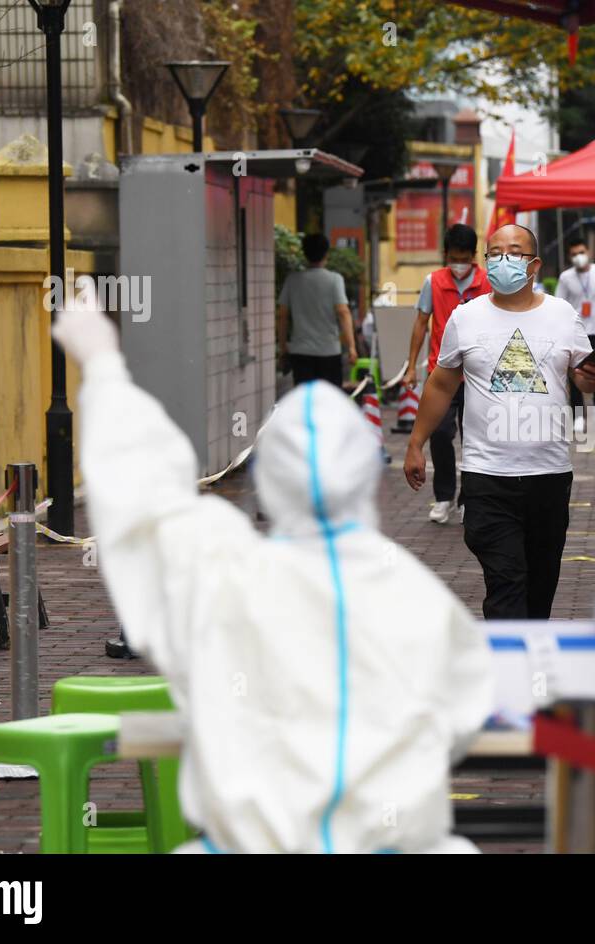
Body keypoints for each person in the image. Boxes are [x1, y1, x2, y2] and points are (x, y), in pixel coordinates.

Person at [53, 293, 493, 854]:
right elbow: (462, 713)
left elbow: (147, 502)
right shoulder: (417, 597)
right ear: (367, 477)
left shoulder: (225, 575)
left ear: (268, 480)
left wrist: (104, 369)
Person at [403, 223, 595, 620]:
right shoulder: (466, 318)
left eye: (513, 252)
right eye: (494, 253)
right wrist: (416, 443)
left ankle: (529, 653)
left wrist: (592, 377)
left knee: (539, 592)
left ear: (534, 265)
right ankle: (507, 658)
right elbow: (442, 384)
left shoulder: (561, 315)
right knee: (506, 584)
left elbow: (582, 377)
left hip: (549, 475)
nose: (502, 260)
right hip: (487, 477)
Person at [403, 224, 490, 525]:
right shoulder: (434, 282)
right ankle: (443, 497)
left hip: (478, 375)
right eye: (453, 258)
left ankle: (469, 498)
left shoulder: (487, 282)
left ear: (474, 255)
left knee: (474, 440)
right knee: (439, 434)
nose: (459, 264)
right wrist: (411, 366)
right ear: (445, 254)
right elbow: (420, 324)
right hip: (441, 374)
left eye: (464, 258)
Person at [276, 234, 357, 388]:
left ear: (304, 253)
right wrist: (352, 347)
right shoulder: (334, 279)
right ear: (326, 253)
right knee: (329, 399)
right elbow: (343, 312)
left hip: (301, 353)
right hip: (329, 353)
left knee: (306, 399)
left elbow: (282, 315)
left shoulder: (293, 280)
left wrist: (283, 347)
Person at [557, 238, 595, 430]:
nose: (578, 257)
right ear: (569, 257)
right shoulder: (566, 277)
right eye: (574, 254)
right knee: (574, 371)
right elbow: (559, 304)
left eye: (581, 252)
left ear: (589, 252)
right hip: (574, 332)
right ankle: (578, 415)